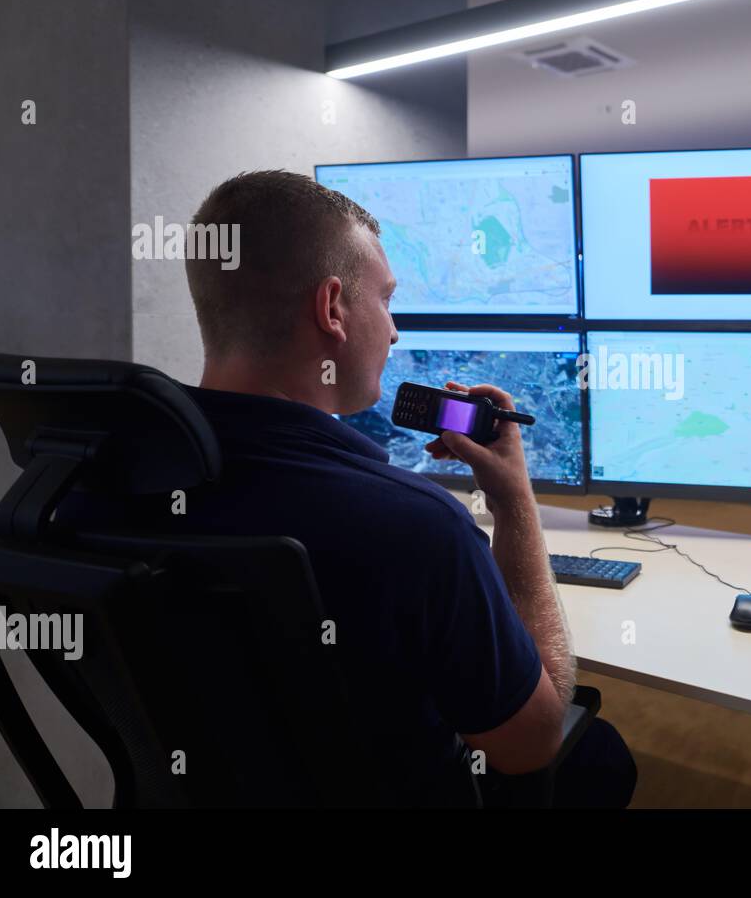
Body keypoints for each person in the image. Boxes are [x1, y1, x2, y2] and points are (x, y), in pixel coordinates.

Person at [56, 170, 636, 807]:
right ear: (333, 308)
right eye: (386, 300)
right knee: (599, 756)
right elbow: (532, 742)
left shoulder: (92, 485)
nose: (393, 330)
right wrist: (513, 502)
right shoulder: (416, 526)